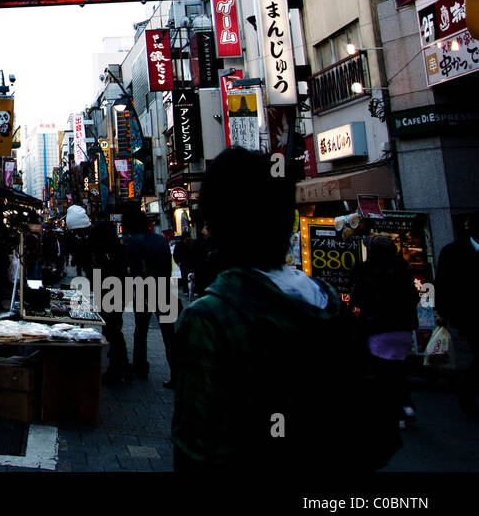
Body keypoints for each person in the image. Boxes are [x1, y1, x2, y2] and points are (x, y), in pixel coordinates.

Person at [172, 147, 401, 471]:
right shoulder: (327, 300)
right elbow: (373, 420)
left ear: (217, 224)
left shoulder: (211, 318)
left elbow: (196, 446)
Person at [351, 235, 421, 429]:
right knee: (398, 368)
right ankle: (406, 405)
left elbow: (357, 298)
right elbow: (414, 296)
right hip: (403, 328)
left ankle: (395, 412)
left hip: (377, 328)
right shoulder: (403, 269)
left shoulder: (366, 270)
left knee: (383, 371)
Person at [124, 207, 177, 388]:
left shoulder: (132, 242)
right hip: (164, 289)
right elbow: (168, 267)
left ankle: (140, 368)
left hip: (145, 290)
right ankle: (176, 373)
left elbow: (135, 270)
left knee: (141, 330)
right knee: (169, 334)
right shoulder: (161, 240)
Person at [435, 214, 479, 420]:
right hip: (469, 314)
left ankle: (467, 391)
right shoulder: (453, 252)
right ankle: (467, 394)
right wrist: (441, 312)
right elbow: (442, 283)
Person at [91, 221, 134, 385]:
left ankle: (118, 369)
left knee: (113, 330)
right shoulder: (118, 247)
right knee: (114, 330)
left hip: (112, 293)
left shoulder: (109, 250)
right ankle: (123, 367)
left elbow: (108, 273)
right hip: (118, 292)